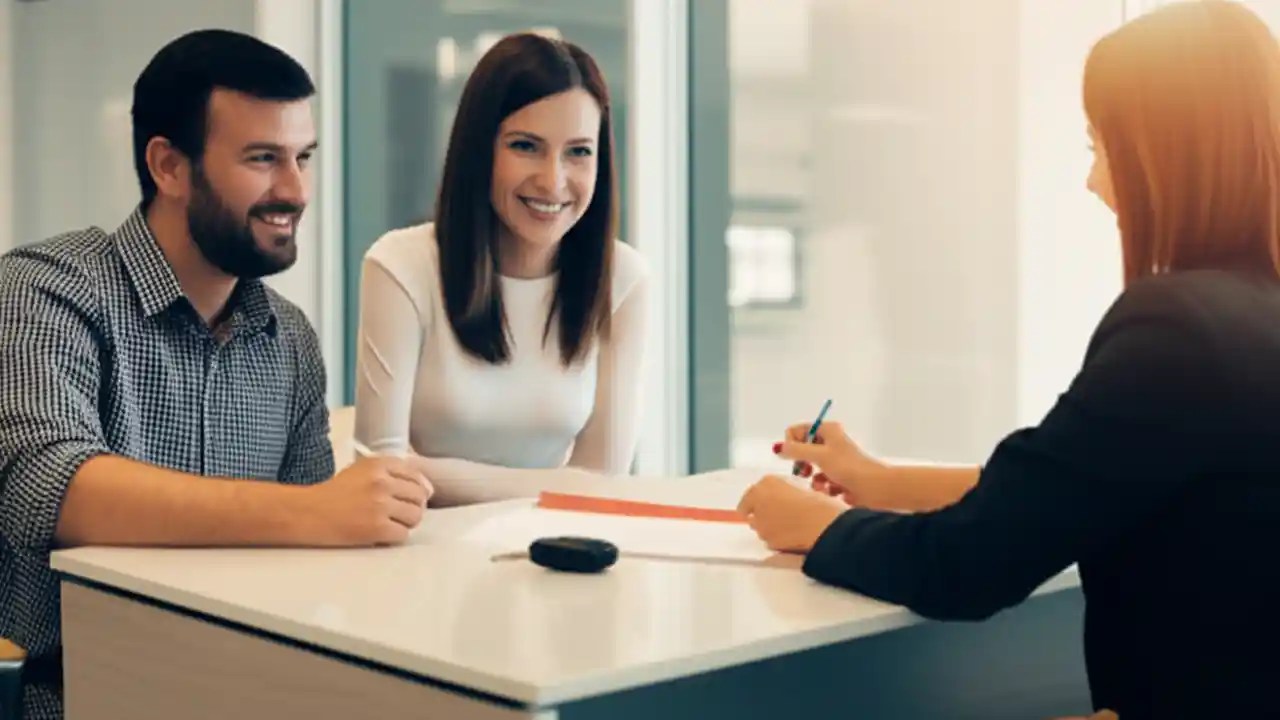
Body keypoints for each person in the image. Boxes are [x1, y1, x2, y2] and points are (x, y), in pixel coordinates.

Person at [738, 2, 1280, 718]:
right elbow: (1074, 483)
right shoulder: (1253, 313)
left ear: (1163, 154)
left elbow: (970, 566)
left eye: (1101, 148)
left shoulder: (1178, 331)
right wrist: (879, 480)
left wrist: (815, 526)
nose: (1094, 183)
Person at [0, 30, 432, 720]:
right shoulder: (48, 289)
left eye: (304, 158)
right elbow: (51, 491)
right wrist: (318, 510)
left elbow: (316, 561)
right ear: (169, 166)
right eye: (263, 159)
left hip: (246, 691)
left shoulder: (287, 337)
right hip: (76, 696)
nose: (294, 190)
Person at [353, 32, 649, 505]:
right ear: (480, 150)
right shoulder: (400, 265)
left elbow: (604, 483)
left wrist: (430, 474)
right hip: (418, 556)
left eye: (578, 151)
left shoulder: (624, 280)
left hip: (555, 557)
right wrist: (563, 485)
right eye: (525, 146)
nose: (553, 180)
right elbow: (379, 476)